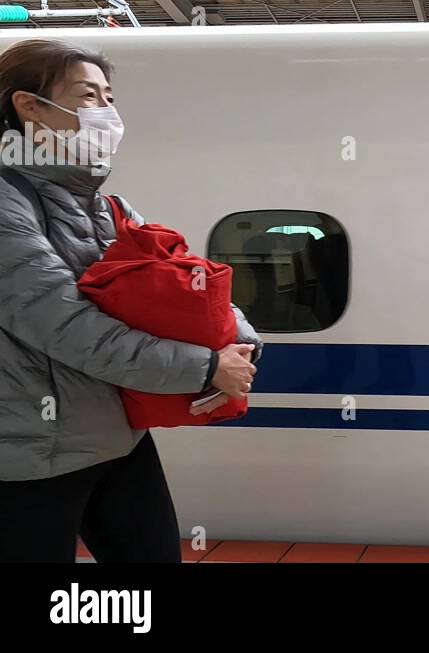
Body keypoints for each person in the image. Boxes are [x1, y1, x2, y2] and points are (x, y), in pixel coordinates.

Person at [0, 39, 262, 563]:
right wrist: (205, 367)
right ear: (29, 106)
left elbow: (189, 280)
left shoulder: (107, 206)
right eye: (88, 96)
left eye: (109, 96)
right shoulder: (9, 202)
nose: (107, 113)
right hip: (31, 454)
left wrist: (241, 343)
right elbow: (66, 326)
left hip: (117, 437)